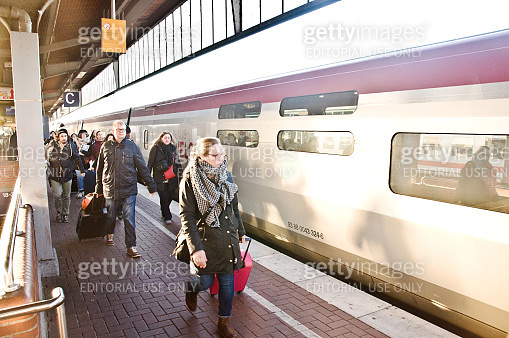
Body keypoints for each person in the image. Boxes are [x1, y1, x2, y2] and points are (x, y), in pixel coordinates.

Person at [180, 137, 246, 337]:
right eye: (215, 155)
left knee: (227, 283)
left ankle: (223, 322)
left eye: (222, 154)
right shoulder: (190, 180)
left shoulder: (226, 175)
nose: (220, 158)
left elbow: (233, 206)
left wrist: (241, 231)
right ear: (201, 156)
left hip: (226, 236)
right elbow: (187, 217)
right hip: (205, 239)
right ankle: (192, 288)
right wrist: (196, 249)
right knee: (206, 282)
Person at [96, 120, 157, 258]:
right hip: (110, 188)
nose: (121, 131)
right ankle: (109, 233)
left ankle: (131, 246)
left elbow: (142, 167)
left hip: (128, 188)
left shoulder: (132, 147)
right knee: (111, 215)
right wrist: (98, 188)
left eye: (123, 129)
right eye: (118, 129)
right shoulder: (105, 146)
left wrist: (150, 185)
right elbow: (100, 169)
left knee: (129, 218)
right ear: (113, 131)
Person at [46, 126, 85, 223]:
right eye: (61, 136)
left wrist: (82, 170)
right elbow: (46, 156)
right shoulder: (52, 146)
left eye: (65, 136)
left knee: (66, 196)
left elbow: (77, 158)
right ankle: (59, 212)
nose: (64, 138)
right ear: (58, 137)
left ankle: (65, 214)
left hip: (67, 175)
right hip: (55, 175)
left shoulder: (71, 146)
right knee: (57, 195)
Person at [147, 131, 181, 224]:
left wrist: (181, 174)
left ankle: (164, 209)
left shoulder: (173, 149)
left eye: (169, 138)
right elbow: (150, 162)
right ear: (161, 138)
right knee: (164, 197)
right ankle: (167, 216)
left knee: (170, 196)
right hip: (160, 177)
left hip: (171, 177)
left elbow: (177, 162)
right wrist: (147, 177)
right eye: (165, 138)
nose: (167, 139)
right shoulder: (156, 148)